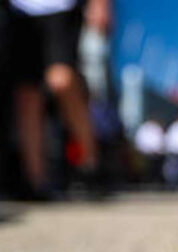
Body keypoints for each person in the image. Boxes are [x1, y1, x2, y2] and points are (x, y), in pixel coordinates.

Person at [8, 0, 111, 199]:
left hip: (60, 8)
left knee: (62, 80)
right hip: (20, 11)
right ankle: (35, 180)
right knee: (28, 95)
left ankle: (90, 162)